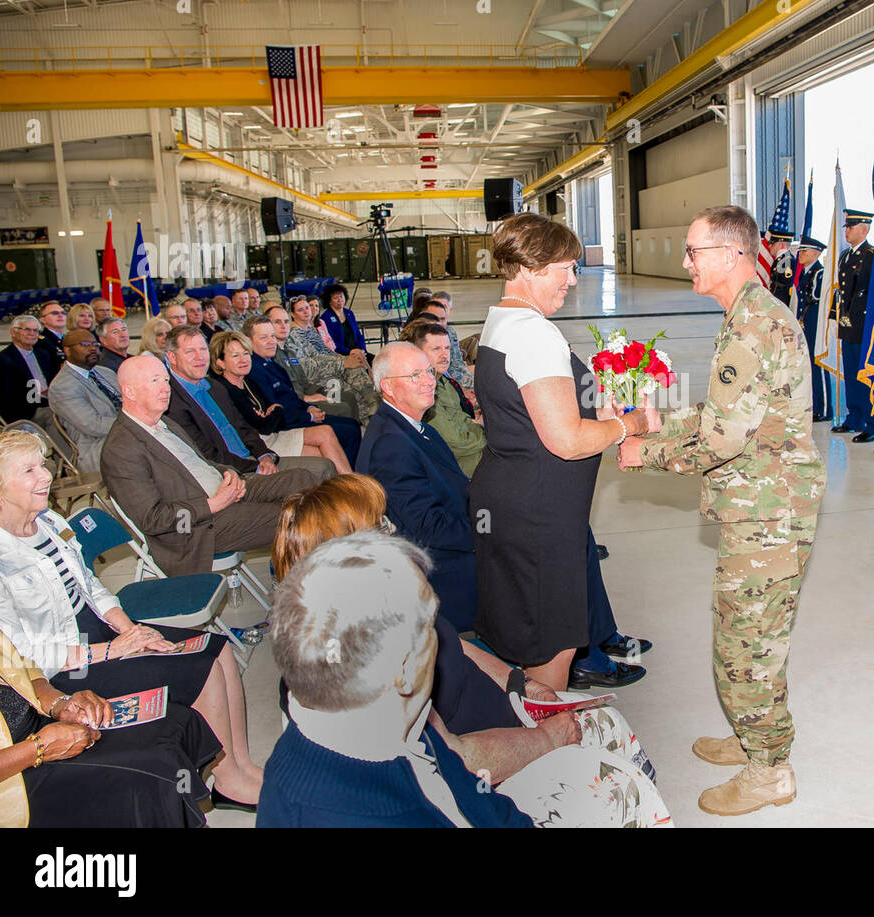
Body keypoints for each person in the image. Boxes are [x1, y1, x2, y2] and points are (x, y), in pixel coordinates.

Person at [618, 205, 826, 816]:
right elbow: (726, 416)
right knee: (749, 633)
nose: (686, 263)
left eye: (694, 251)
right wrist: (659, 421)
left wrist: (644, 452)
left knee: (747, 643)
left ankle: (769, 770)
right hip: (764, 502)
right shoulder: (750, 317)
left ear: (733, 255)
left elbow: (721, 440)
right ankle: (755, 739)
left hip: (768, 512)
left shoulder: (752, 327)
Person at [258, 531, 670, 827]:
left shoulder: (379, 717)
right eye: (428, 630)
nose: (442, 637)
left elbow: (470, 794)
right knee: (620, 793)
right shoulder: (351, 810)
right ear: (402, 669)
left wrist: (518, 685)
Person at [269, 476, 656, 779]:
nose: (393, 531)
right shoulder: (364, 665)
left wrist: (520, 682)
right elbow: (450, 760)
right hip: (493, 766)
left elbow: (452, 639)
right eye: (381, 525)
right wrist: (546, 739)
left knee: (605, 725)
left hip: (502, 721)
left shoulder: (379, 603)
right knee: (607, 736)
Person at [0, 430, 265, 808]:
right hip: (61, 665)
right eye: (29, 471)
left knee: (216, 649)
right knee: (201, 670)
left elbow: (90, 585)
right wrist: (112, 650)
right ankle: (229, 781)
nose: (46, 476)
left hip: (99, 631)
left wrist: (130, 628)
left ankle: (241, 766)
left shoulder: (48, 519)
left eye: (43, 464)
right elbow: (18, 655)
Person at [472, 213, 656, 691]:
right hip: (539, 512)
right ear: (531, 268)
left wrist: (597, 405)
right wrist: (626, 424)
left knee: (526, 627)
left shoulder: (502, 320)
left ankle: (529, 725)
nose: (573, 281)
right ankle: (545, 736)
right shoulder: (533, 333)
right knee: (550, 638)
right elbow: (567, 441)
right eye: (566, 268)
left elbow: (532, 409)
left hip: (509, 496)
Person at [0, 616, 221, 827]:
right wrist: (37, 749)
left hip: (33, 721)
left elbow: (21, 666)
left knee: (171, 722)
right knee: (152, 772)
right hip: (6, 772)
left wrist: (60, 704)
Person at [99, 355, 317, 578]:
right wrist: (213, 504)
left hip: (225, 490)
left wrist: (228, 473)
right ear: (130, 392)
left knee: (302, 479)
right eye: (155, 381)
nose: (166, 389)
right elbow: (153, 519)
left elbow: (202, 463)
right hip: (197, 526)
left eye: (166, 381)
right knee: (294, 516)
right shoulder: (121, 449)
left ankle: (292, 563)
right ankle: (301, 580)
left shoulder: (166, 423)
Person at [357, 344, 478, 631]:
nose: (428, 381)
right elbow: (430, 529)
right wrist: (490, 532)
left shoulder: (413, 427)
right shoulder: (391, 445)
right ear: (388, 387)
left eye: (428, 371)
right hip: (437, 564)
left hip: (452, 532)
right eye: (414, 375)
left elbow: (454, 487)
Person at [162, 324, 333, 483]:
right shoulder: (172, 401)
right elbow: (207, 454)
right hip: (230, 473)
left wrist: (264, 455)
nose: (200, 357)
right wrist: (255, 466)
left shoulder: (214, 387)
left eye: (202, 349)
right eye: (190, 352)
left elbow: (243, 427)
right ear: (172, 357)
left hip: (252, 457)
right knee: (307, 476)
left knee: (324, 465)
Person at [210, 331, 353, 475]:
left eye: (246, 354)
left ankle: (354, 486)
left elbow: (270, 417)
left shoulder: (248, 382)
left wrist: (270, 414)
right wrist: (274, 412)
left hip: (273, 432)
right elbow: (262, 425)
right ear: (220, 362)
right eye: (235, 356)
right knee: (323, 457)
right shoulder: (226, 390)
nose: (243, 360)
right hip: (262, 443)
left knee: (326, 431)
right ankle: (353, 487)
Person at [243, 316, 361, 465]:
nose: (271, 341)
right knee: (350, 432)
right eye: (264, 338)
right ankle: (346, 476)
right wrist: (308, 416)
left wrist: (310, 407)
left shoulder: (272, 364)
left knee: (352, 424)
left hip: (301, 412)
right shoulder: (254, 370)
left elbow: (291, 396)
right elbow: (278, 411)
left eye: (272, 336)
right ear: (248, 340)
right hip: (289, 425)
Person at [402, 320, 484, 478]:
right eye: (436, 349)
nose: (444, 355)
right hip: (457, 467)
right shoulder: (423, 391)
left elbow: (461, 419)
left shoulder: (442, 381)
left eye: (447, 348)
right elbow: (456, 442)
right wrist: (484, 429)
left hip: (469, 454)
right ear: (417, 352)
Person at [284, 297, 379, 423]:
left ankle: (371, 404)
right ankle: (367, 411)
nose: (307, 311)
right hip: (316, 375)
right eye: (301, 310)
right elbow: (308, 364)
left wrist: (343, 358)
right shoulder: (293, 335)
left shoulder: (311, 330)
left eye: (307, 308)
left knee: (356, 363)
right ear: (292, 314)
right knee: (351, 376)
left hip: (329, 365)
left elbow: (326, 351)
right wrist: (342, 363)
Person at [263, 306, 360, 422]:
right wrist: (306, 398)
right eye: (277, 322)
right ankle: (346, 434)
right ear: (267, 326)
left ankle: (355, 433)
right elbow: (283, 390)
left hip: (308, 391)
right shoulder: (271, 355)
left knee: (349, 397)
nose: (283, 326)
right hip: (297, 402)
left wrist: (320, 391)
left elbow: (304, 382)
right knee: (342, 408)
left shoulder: (290, 352)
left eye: (286, 321)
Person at [46, 329, 122, 472]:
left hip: (123, 435)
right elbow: (94, 426)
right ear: (67, 350)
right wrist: (134, 424)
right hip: (97, 447)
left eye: (95, 344)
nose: (93, 348)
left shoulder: (105, 372)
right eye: (85, 344)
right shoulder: (62, 386)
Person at [831, 209, 874, 439]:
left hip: (863, 326)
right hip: (848, 324)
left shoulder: (871, 256)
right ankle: (854, 416)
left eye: (851, 226)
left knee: (864, 374)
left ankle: (870, 422)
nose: (846, 231)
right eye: (846, 227)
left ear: (864, 229)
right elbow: (842, 291)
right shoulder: (845, 256)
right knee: (850, 373)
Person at [0, 315, 59, 426]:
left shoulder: (43, 354)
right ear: (13, 332)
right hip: (25, 411)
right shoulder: (4, 360)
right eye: (27, 329)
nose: (32, 333)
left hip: (50, 401)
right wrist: (42, 394)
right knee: (56, 416)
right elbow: (8, 398)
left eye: (35, 330)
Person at [794, 235, 831, 422]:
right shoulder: (806, 272)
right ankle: (813, 403)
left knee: (818, 364)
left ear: (816, 253)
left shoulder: (819, 273)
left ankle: (824, 408)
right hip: (805, 322)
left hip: (815, 323)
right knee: (808, 365)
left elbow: (815, 299)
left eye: (804, 251)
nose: (800, 254)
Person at [429, 291, 475, 391]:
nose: (440, 310)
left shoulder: (450, 331)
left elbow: (457, 363)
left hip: (459, 372)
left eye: (443, 306)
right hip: (451, 379)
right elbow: (448, 371)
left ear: (449, 310)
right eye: (437, 306)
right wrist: (470, 383)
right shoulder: (430, 335)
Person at [319, 283, 370, 361]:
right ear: (329, 301)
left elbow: (359, 335)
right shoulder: (326, 317)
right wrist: (350, 352)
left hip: (358, 351)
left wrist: (362, 349)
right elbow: (331, 342)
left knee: (377, 362)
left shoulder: (349, 313)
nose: (339, 299)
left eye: (341, 296)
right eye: (335, 298)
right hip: (342, 355)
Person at [35, 301, 66, 368]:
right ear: (42, 319)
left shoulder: (69, 339)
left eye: (63, 313)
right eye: (55, 313)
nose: (60, 315)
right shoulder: (40, 342)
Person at [767, 227, 795, 302]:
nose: (769, 246)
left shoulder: (786, 261)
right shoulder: (782, 260)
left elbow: (783, 289)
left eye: (772, 243)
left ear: (781, 245)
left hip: (781, 304)